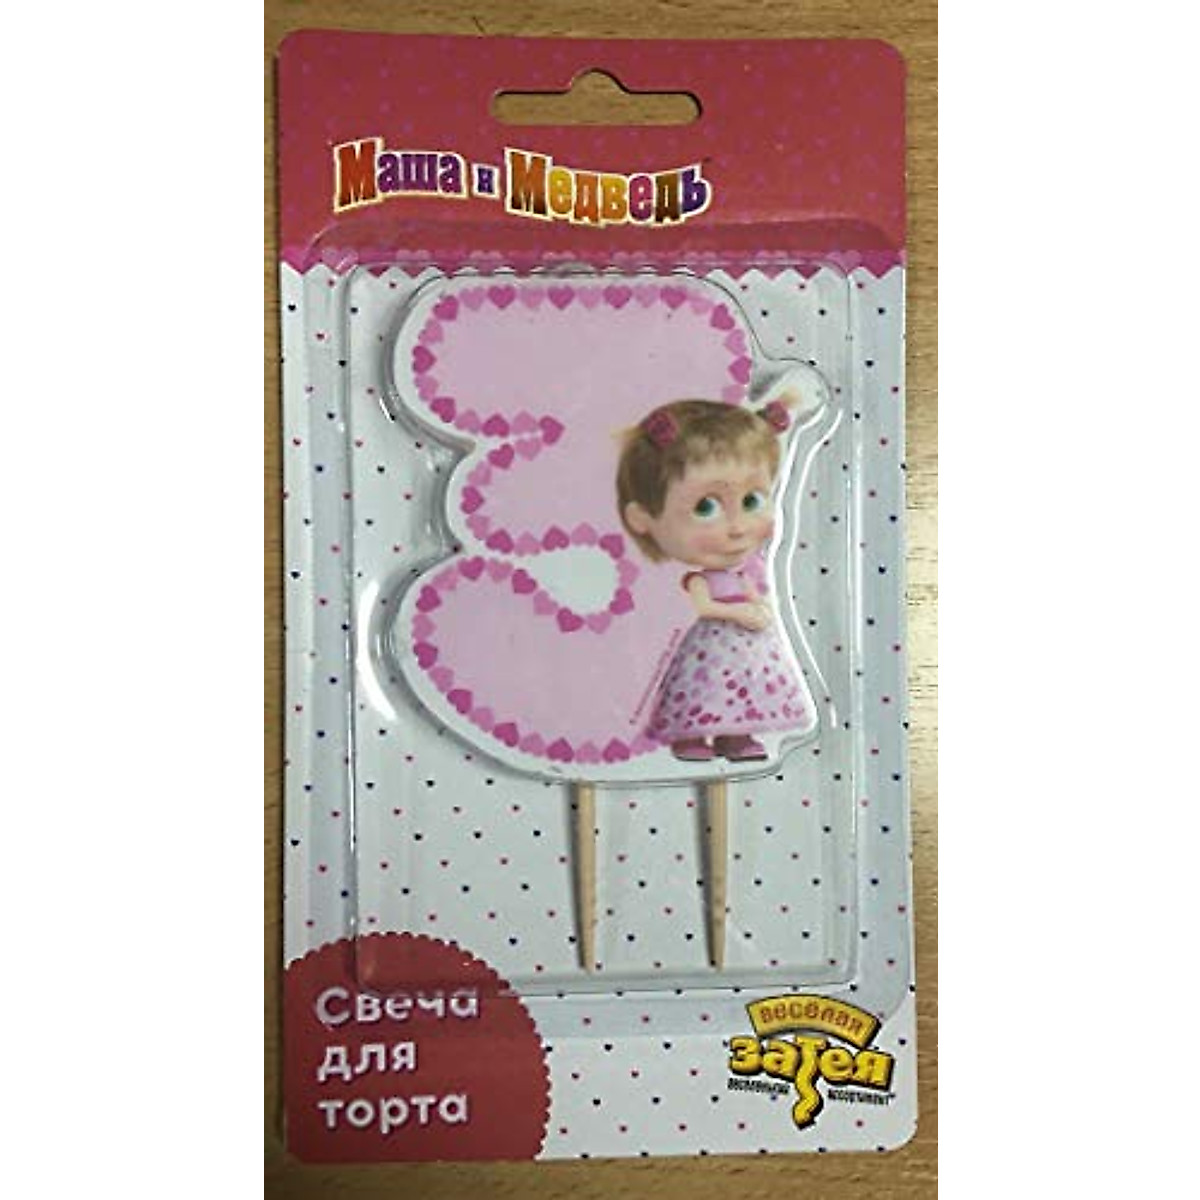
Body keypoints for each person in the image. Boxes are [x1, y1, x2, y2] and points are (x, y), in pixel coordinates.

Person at [617, 397, 810, 761]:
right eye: (706, 507)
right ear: (642, 519)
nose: (737, 528)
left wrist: (761, 610)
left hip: (747, 641)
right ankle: (691, 737)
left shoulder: (744, 573)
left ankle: (735, 736)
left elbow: (755, 596)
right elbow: (705, 607)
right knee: (706, 688)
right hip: (713, 645)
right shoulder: (699, 580)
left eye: (752, 501)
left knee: (744, 686)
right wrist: (739, 614)